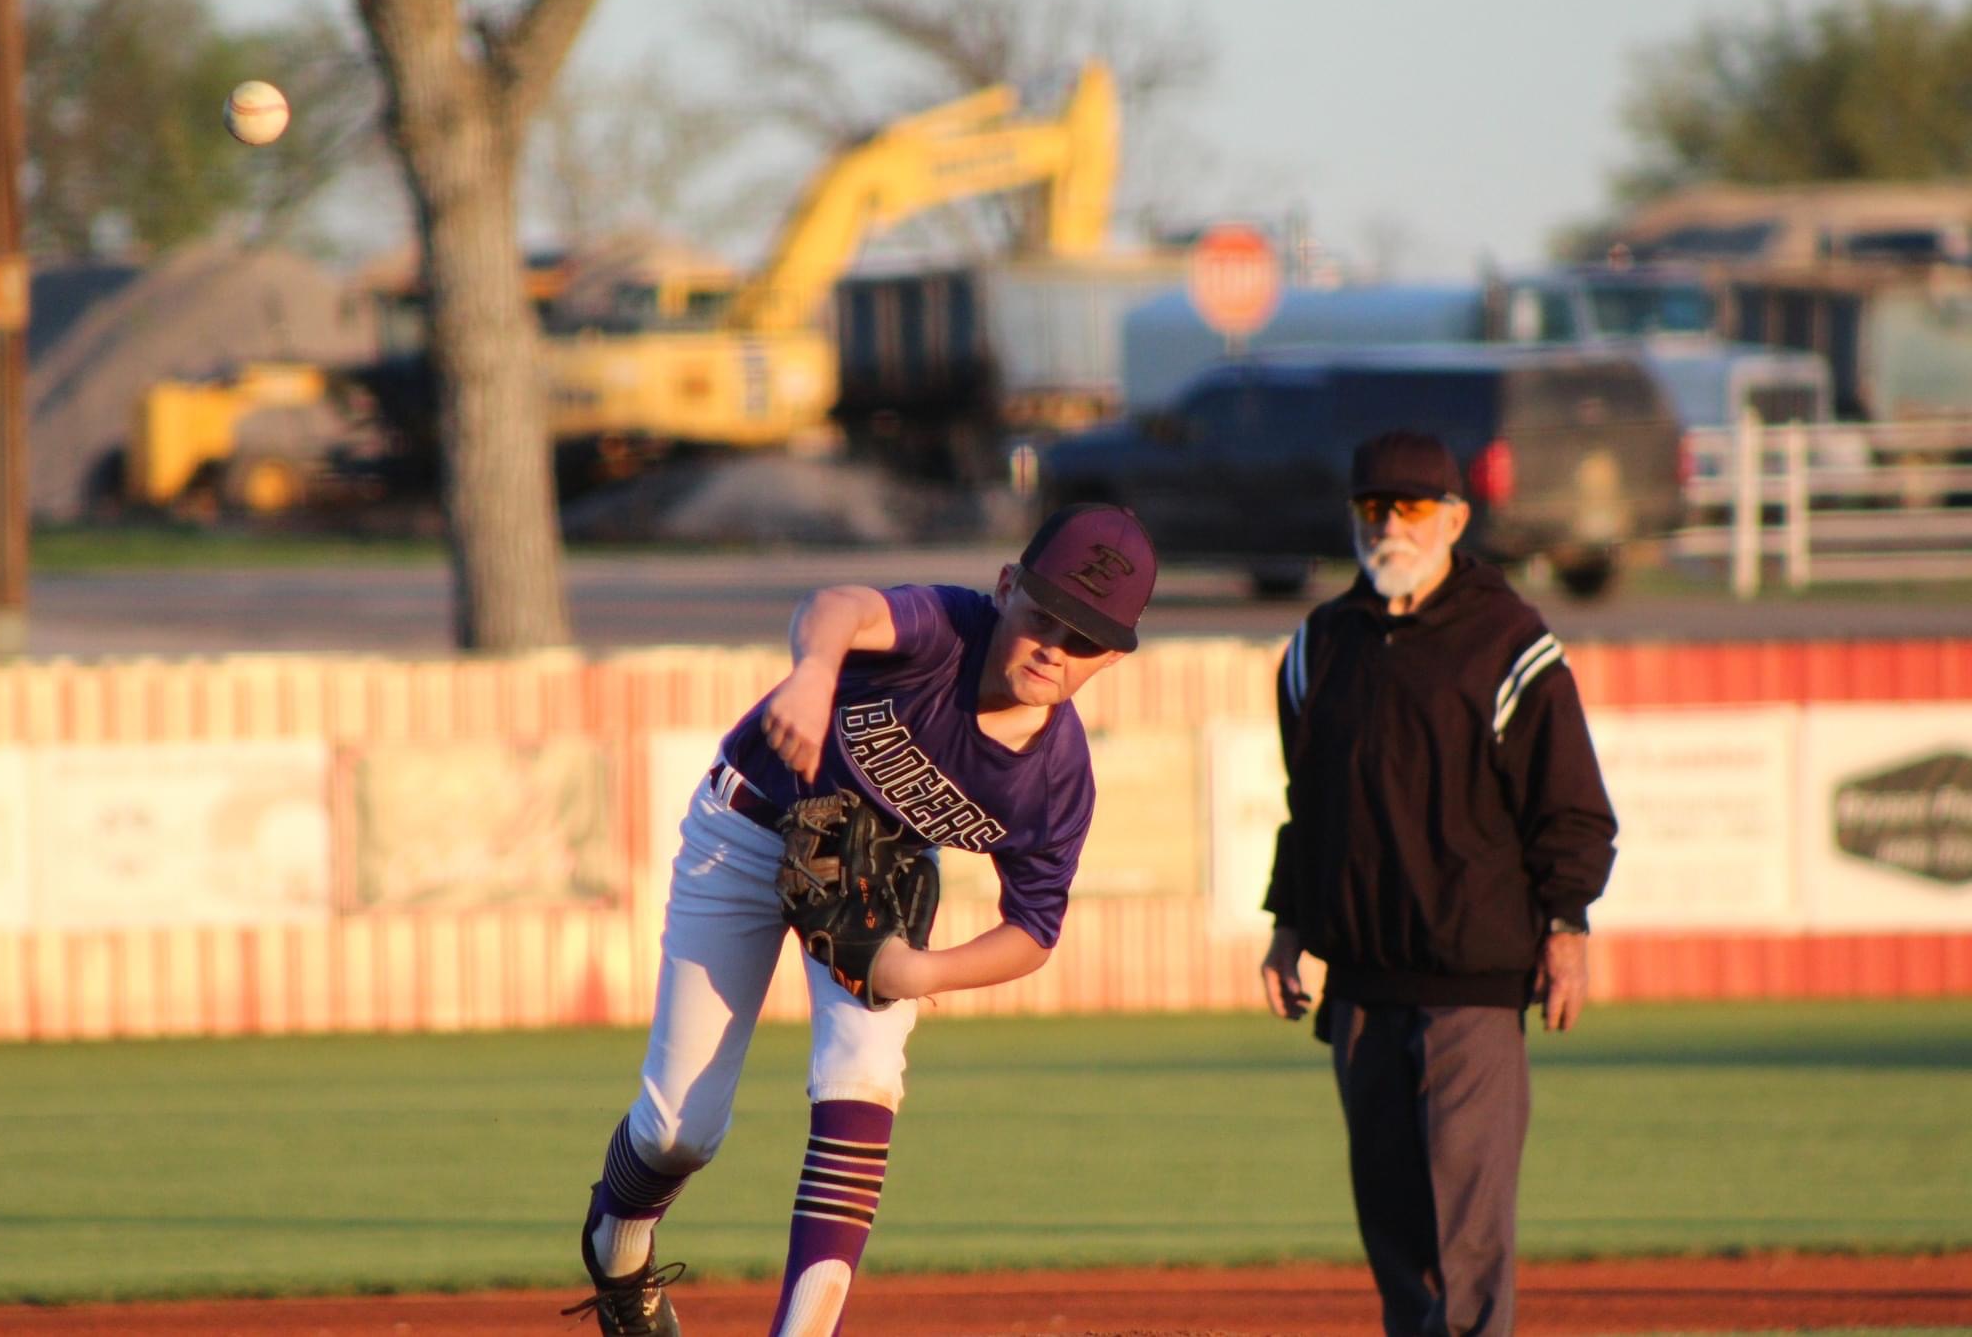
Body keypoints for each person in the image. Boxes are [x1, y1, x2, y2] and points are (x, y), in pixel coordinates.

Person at [567, 504, 1158, 1337]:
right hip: (743, 829)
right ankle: (617, 1246)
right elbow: (837, 605)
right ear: (1006, 588)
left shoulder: (1056, 780)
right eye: (1044, 614)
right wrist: (813, 672)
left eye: (1087, 638)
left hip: (881, 877)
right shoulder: (948, 629)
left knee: (863, 1085)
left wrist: (925, 972)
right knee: (678, 1132)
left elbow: (1034, 928)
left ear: (1113, 657)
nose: (1056, 646)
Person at [1259, 431, 1618, 1337]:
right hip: (1364, 990)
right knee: (1395, 1233)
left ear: (1456, 517)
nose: (1389, 523)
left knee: (1465, 1236)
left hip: (1472, 984)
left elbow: (1571, 808)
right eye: (1372, 506)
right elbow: (1310, 807)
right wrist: (1287, 924)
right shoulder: (1318, 648)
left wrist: (1567, 930)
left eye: (1411, 506)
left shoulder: (1508, 642)